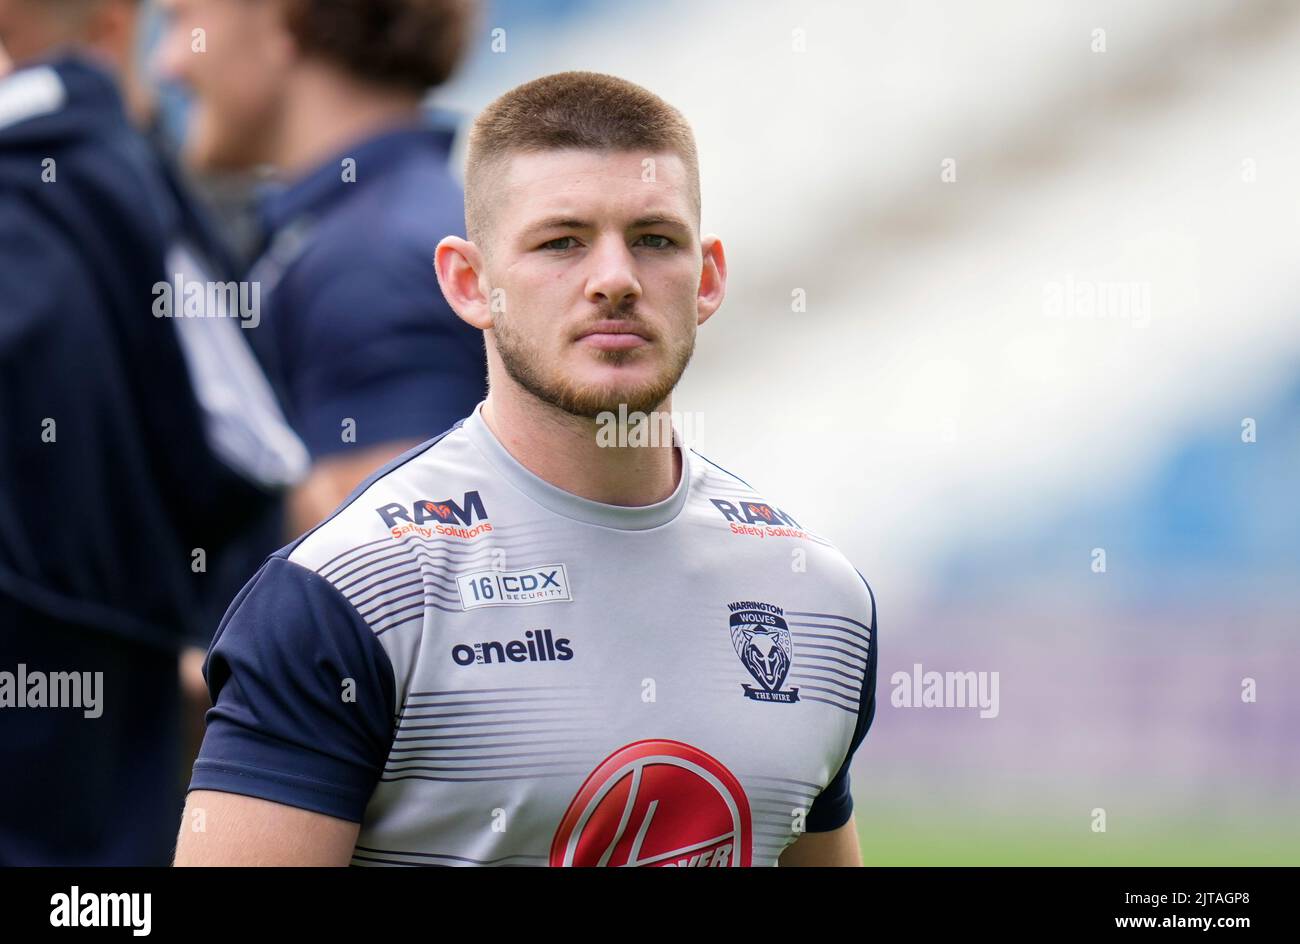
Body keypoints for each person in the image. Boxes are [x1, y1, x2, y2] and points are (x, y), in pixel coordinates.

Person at [174, 71, 879, 867]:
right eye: (561, 242)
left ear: (708, 276)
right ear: (469, 284)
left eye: (654, 239)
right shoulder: (348, 595)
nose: (614, 278)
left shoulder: (817, 597)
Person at [0, 0, 301, 864]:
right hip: (113, 791)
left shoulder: (86, 180)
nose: (170, 66)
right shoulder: (120, 183)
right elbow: (251, 451)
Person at [154, 0, 489, 535]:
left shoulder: (373, 256)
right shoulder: (377, 224)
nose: (168, 64)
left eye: (181, 19)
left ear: (281, 20)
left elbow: (400, 563)